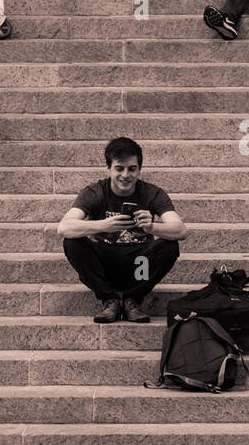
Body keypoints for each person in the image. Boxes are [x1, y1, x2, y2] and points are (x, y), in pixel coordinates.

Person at [58, 137, 186, 323]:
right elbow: (63, 227)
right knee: (72, 242)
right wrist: (104, 225)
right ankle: (109, 300)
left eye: (132, 169)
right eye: (119, 168)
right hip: (104, 266)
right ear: (109, 169)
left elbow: (180, 231)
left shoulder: (152, 193)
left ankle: (131, 300)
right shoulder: (95, 192)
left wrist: (152, 227)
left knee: (170, 246)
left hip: (138, 268)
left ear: (139, 170)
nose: (126, 175)